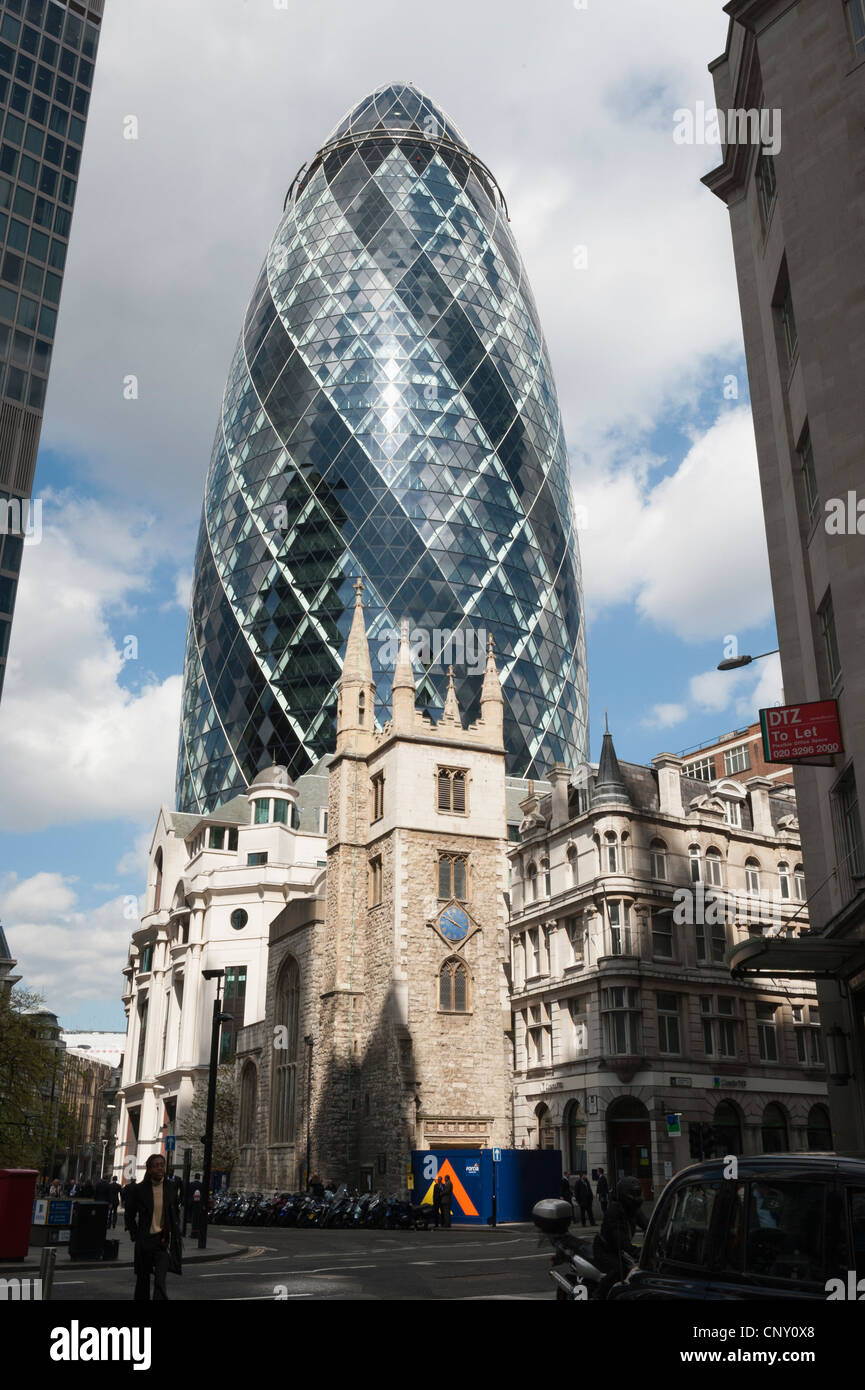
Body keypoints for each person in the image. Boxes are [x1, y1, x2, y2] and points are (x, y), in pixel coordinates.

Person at [123, 1154, 183, 1301]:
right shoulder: (139, 1189)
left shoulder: (170, 1188)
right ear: (149, 1169)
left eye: (162, 1165)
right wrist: (134, 1233)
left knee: (160, 1281)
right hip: (145, 1241)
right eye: (156, 1165)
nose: (160, 1168)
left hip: (162, 1242)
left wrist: (174, 1233)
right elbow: (129, 1214)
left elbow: (174, 1211)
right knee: (142, 1280)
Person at [591, 1176, 647, 1300]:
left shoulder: (633, 1210)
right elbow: (620, 1239)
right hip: (605, 1250)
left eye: (638, 1193)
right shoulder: (614, 1211)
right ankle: (598, 1296)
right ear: (625, 1194)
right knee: (619, 1269)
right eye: (634, 1193)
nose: (637, 1196)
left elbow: (647, 1224)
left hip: (618, 1250)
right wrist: (637, 1251)